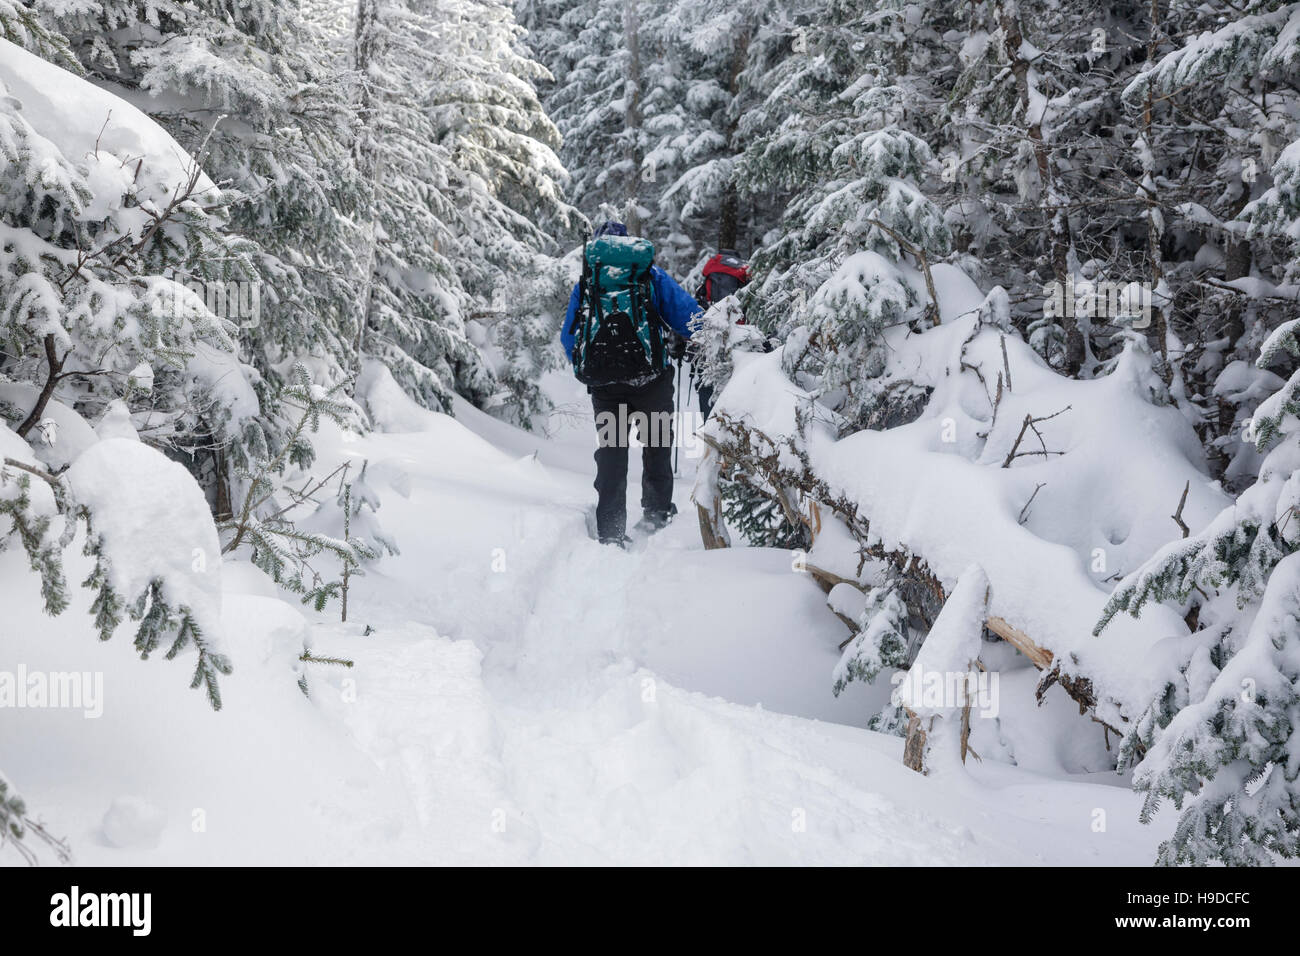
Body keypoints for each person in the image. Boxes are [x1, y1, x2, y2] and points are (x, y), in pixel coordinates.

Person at [560, 221, 702, 547]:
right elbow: (688, 316)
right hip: (651, 382)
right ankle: (656, 517)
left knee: (612, 453)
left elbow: (569, 338)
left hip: (607, 389)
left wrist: (594, 369)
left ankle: (610, 530)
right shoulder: (648, 275)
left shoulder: (589, 282)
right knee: (656, 448)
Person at [691, 249, 750, 420]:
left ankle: (709, 427)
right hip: (741, 344)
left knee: (707, 386)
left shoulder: (710, 274)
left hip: (710, 344)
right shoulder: (744, 275)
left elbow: (695, 309)